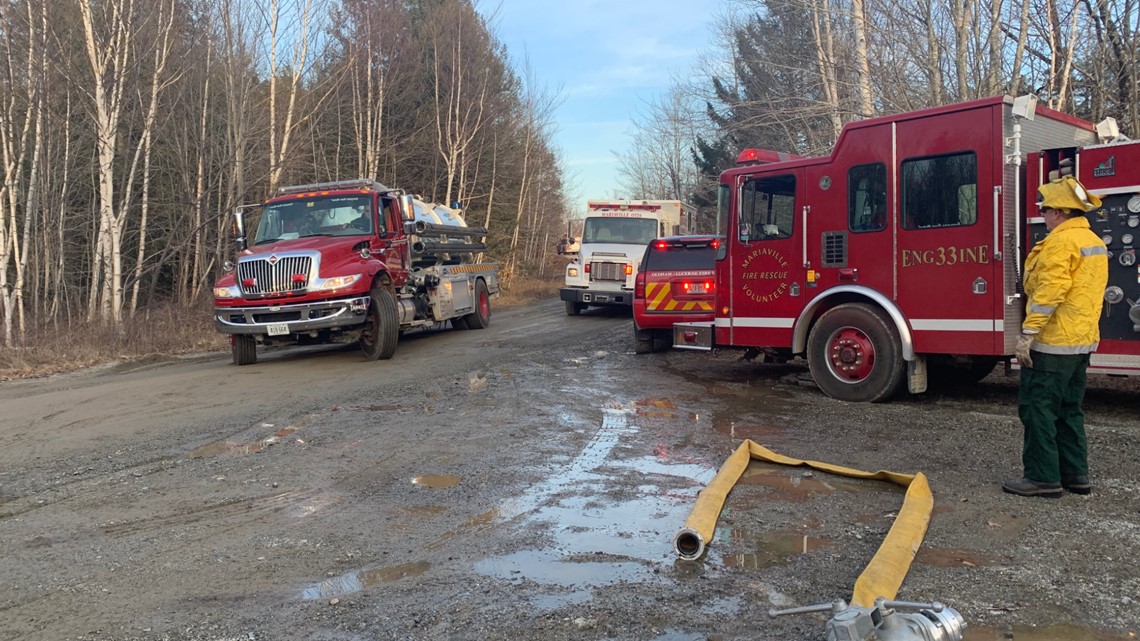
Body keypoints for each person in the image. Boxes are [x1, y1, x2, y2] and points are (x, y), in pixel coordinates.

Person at [1003, 175, 1108, 499]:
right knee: (1069, 409)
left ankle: (1042, 478)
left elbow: (1050, 292)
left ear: (1059, 212)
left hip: (1053, 344)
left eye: (1045, 210)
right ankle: (1075, 475)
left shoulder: (1061, 243)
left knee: (1039, 409)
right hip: (1081, 342)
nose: (1043, 215)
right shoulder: (1093, 241)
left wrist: (1029, 332)